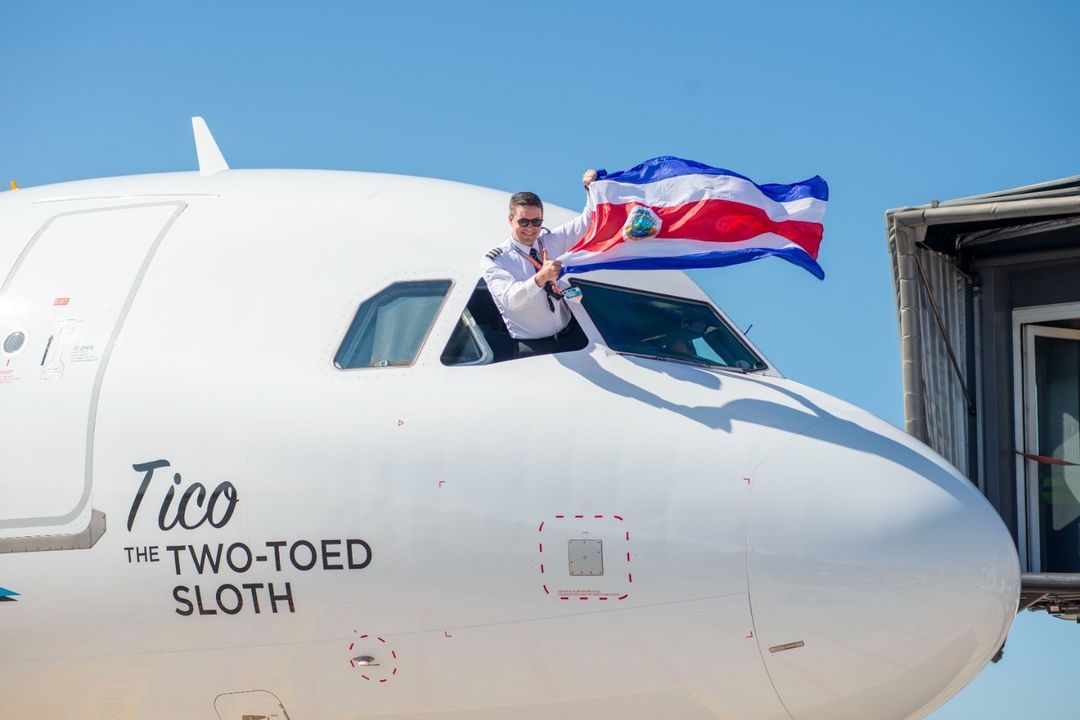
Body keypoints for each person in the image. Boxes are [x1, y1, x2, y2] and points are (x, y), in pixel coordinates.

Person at [481, 170, 597, 358]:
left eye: (536, 222)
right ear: (510, 220)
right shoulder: (496, 259)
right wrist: (541, 278)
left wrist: (591, 189)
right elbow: (511, 300)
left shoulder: (549, 241)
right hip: (534, 349)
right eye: (524, 222)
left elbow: (587, 223)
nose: (530, 228)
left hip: (573, 337)